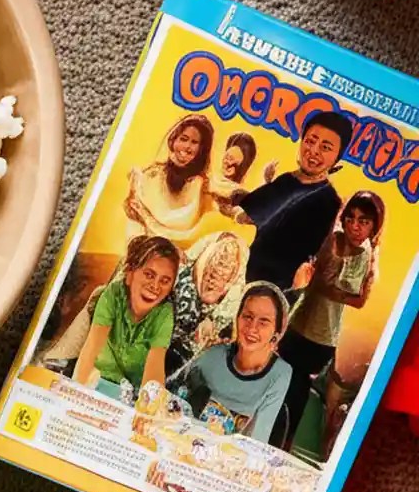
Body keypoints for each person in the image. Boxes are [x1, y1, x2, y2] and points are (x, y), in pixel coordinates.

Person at [273, 190, 384, 450]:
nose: (355, 226)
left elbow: (356, 299)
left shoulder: (364, 256)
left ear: (373, 226)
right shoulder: (333, 239)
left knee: (298, 394)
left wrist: (325, 284)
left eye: (363, 221)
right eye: (351, 218)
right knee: (278, 381)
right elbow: (324, 280)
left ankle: (282, 444)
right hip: (299, 323)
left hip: (323, 336)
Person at [230, 110, 354, 293]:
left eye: (326, 147)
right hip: (242, 274)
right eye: (310, 141)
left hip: (276, 290)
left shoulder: (329, 202)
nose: (314, 151)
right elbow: (247, 215)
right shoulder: (287, 180)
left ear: (337, 157)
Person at [168, 282, 293, 443]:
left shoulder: (280, 374)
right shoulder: (212, 356)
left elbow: (257, 440)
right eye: (247, 316)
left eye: (263, 321)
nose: (252, 328)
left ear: (277, 331)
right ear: (237, 317)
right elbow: (171, 395)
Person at [74, 235, 180, 397]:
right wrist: (75, 390)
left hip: (133, 392)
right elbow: (92, 349)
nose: (155, 286)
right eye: (149, 275)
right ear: (130, 274)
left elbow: (154, 370)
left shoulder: (164, 313)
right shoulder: (113, 295)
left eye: (164, 281)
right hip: (100, 380)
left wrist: (147, 408)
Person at [125, 115, 241, 249]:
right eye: (183, 139)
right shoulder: (150, 176)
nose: (187, 147)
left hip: (184, 257)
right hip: (144, 250)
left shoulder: (201, 184)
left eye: (194, 142)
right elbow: (133, 215)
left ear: (201, 150)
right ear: (173, 141)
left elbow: (229, 200)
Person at [165, 232, 248, 376]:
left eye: (227, 268)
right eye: (217, 263)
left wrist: (213, 322)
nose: (218, 273)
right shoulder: (180, 276)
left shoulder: (224, 319)